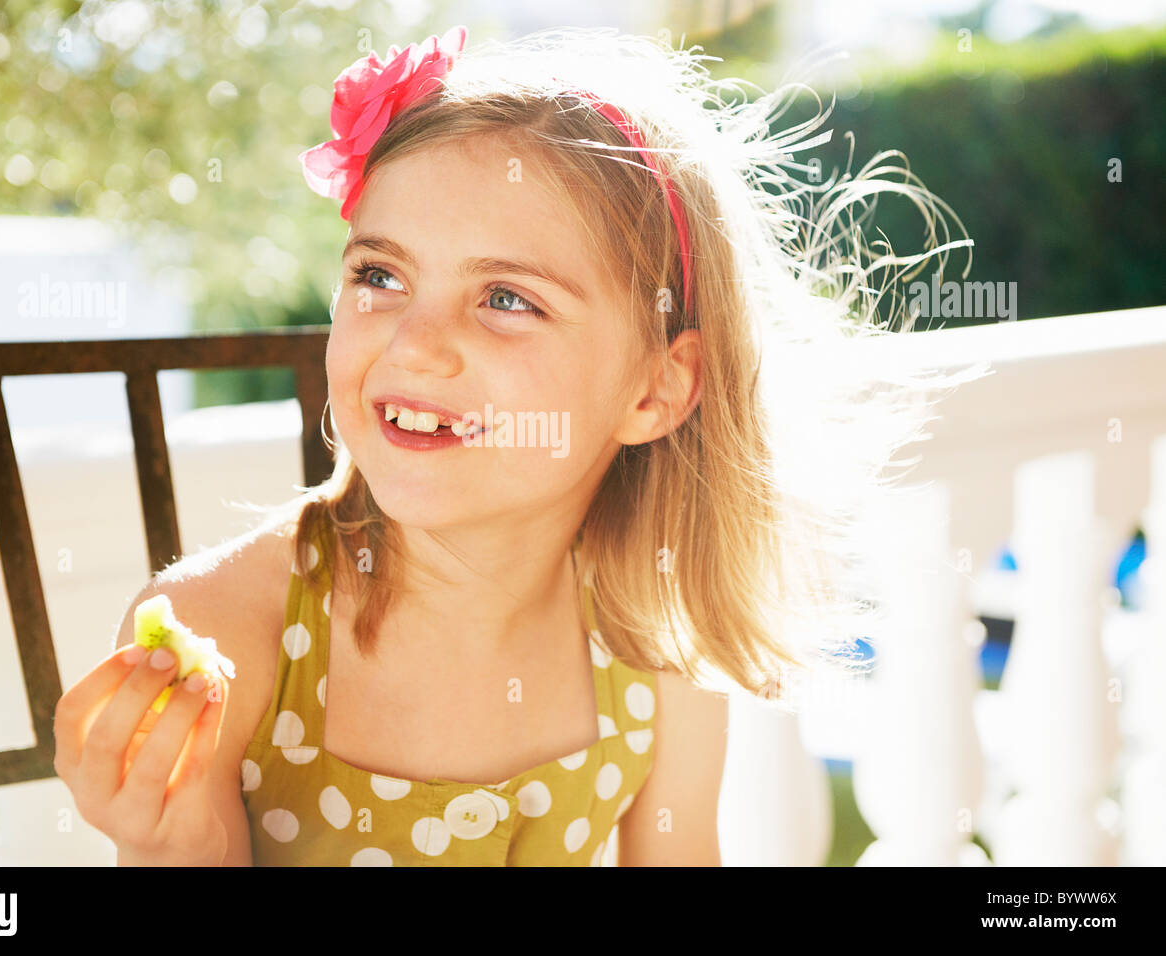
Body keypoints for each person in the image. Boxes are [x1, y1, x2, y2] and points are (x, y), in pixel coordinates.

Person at [54, 25, 978, 866]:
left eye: (506, 299)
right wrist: (181, 844)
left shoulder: (654, 650)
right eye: (380, 275)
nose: (414, 343)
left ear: (657, 388)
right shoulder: (234, 635)